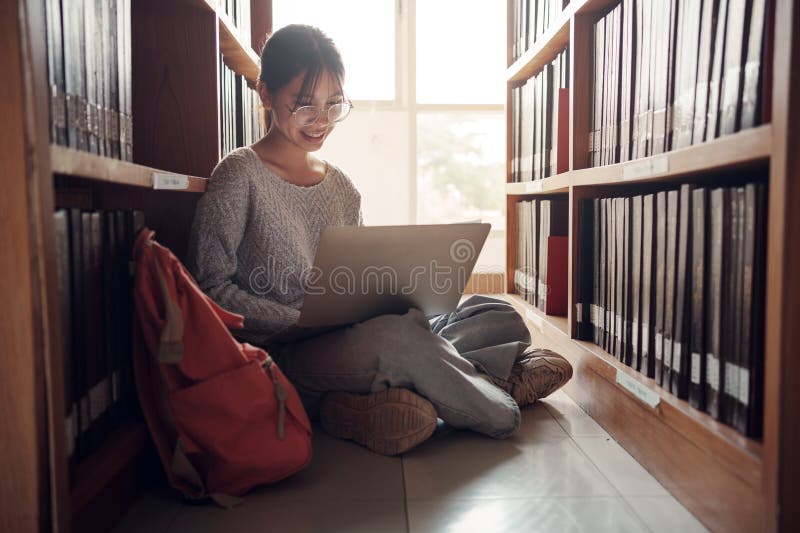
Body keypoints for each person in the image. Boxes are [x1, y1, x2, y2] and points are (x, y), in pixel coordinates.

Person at [187, 24, 572, 456]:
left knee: (498, 315)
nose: (321, 122)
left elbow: (361, 277)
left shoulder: (342, 187)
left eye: (333, 105)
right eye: (304, 107)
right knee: (400, 341)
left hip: (355, 337)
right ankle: (494, 393)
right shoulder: (238, 175)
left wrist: (392, 299)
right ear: (265, 94)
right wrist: (297, 320)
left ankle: (368, 403)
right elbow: (209, 293)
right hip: (286, 356)